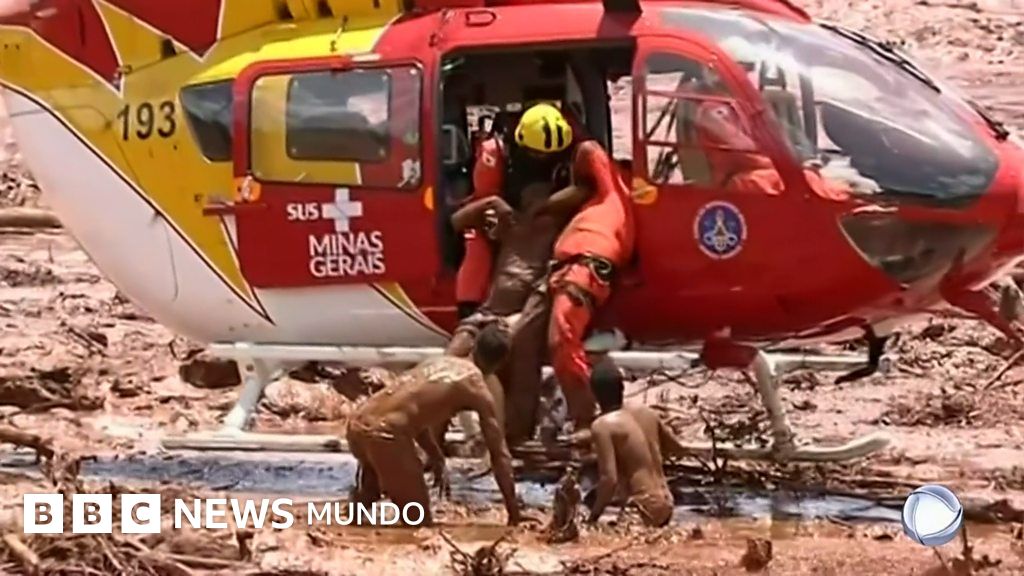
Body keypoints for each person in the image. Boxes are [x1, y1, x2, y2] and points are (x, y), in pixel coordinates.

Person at [445, 103, 581, 441]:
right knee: (454, 354)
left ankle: (514, 437)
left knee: (520, 349)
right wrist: (492, 205)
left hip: (532, 297)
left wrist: (546, 208)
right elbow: (456, 221)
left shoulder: (562, 214)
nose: (541, 161)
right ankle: (432, 430)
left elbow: (587, 188)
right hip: (494, 306)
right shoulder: (506, 216)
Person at [346, 324, 523, 526]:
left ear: (473, 346)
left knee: (369, 496)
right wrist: (514, 512)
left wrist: (435, 455)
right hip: (385, 435)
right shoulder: (476, 387)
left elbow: (411, 411)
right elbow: (499, 455)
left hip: (357, 423)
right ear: (501, 363)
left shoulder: (436, 362)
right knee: (419, 524)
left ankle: (349, 520)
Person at [527, 126, 636, 430]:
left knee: (561, 340)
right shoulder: (610, 203)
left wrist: (571, 182)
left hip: (582, 270)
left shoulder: (614, 193)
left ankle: (585, 421)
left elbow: (589, 149)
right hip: (572, 272)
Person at [583, 359, 690, 527]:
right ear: (622, 388)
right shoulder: (647, 413)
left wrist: (593, 517)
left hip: (640, 506)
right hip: (666, 501)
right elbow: (678, 449)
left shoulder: (602, 425)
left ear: (593, 394)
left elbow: (609, 479)